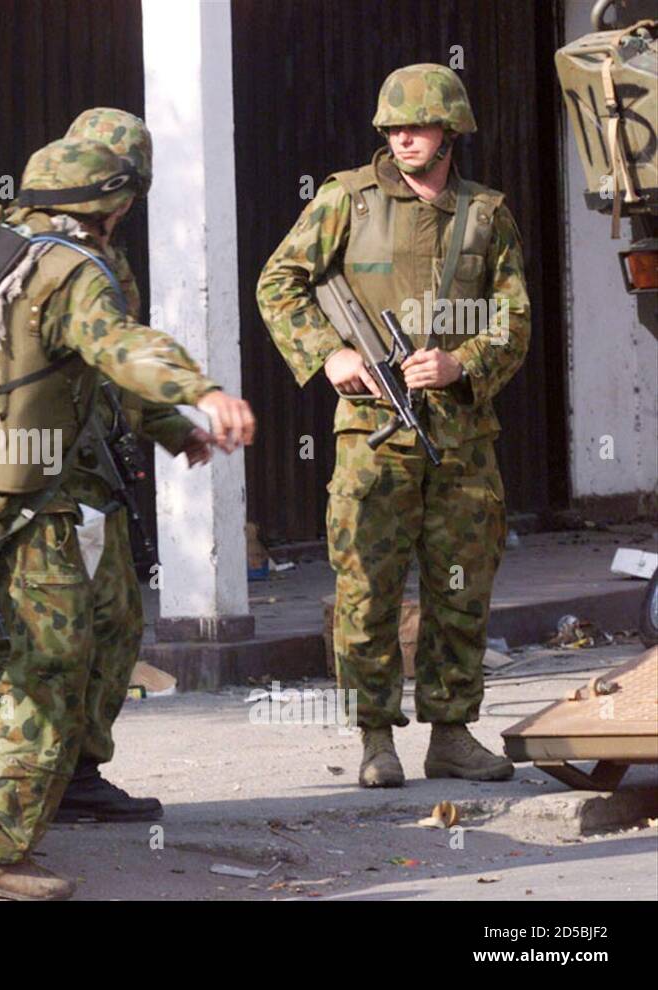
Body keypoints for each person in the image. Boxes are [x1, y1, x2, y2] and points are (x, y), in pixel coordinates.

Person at [0, 138, 255, 899]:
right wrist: (203, 389)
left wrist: (166, 426)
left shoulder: (2, 251)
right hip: (42, 499)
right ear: (114, 205)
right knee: (53, 668)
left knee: (50, 649)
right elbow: (117, 347)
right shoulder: (72, 269)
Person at [256, 64, 529, 788]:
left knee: (460, 589)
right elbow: (278, 282)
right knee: (367, 588)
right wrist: (330, 353)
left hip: (463, 439)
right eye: (394, 127)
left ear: (452, 132)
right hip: (373, 433)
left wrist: (462, 364)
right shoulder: (346, 200)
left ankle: (452, 733)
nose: (403, 137)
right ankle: (376, 738)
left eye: (418, 126)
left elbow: (515, 318)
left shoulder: (485, 214)